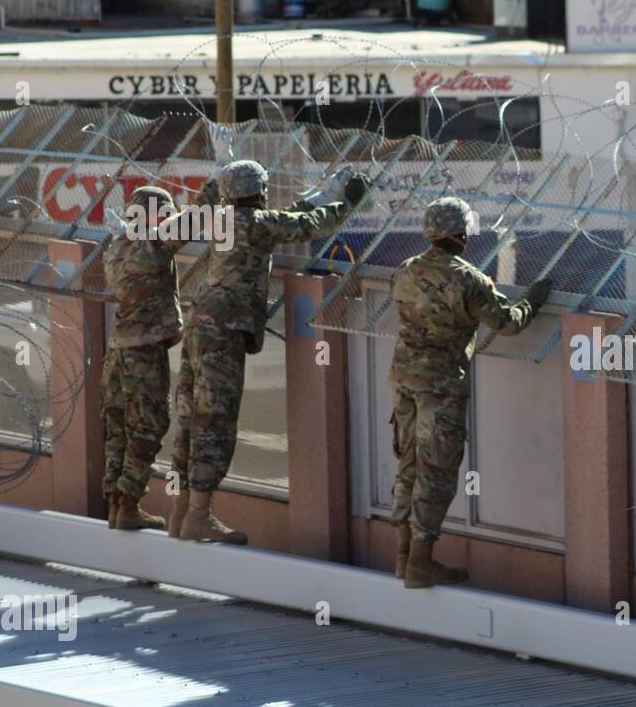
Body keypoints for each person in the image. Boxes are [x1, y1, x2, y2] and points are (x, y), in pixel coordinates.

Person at [168, 159, 370, 543]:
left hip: (201, 322)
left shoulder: (224, 220)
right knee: (216, 419)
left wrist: (318, 199)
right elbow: (310, 226)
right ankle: (199, 515)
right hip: (224, 329)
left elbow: (286, 218)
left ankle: (181, 512)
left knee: (191, 415)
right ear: (259, 191)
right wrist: (348, 201)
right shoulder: (257, 223)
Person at [389, 196, 551, 587]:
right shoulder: (469, 279)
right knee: (437, 471)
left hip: (404, 381)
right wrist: (535, 298)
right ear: (460, 234)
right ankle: (421, 564)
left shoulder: (406, 269)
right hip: (441, 388)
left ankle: (402, 557)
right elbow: (508, 324)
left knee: (409, 466)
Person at [101, 182, 212, 531]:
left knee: (118, 427)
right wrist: (218, 182)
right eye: (161, 212)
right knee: (148, 425)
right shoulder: (150, 244)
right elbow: (194, 220)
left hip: (118, 350)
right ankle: (129, 502)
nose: (167, 218)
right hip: (142, 351)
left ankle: (117, 505)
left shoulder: (119, 244)